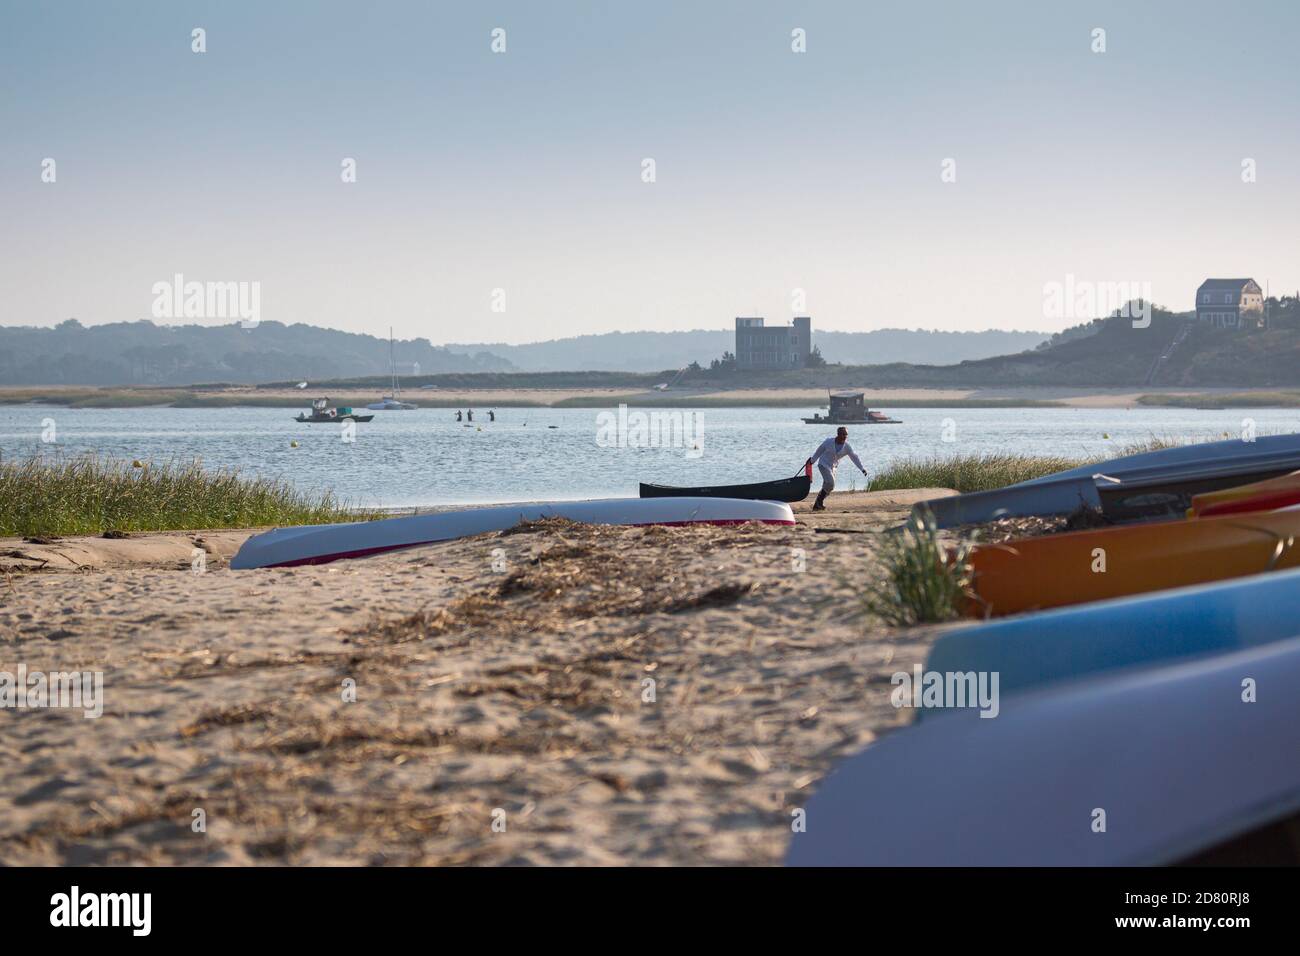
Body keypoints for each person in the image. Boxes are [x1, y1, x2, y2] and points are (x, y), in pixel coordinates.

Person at [806, 427, 868, 511]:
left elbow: (854, 457)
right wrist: (812, 460)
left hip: (833, 467)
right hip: (823, 464)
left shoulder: (847, 447)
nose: (844, 436)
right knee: (831, 483)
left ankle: (818, 504)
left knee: (829, 486)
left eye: (846, 434)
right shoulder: (828, 442)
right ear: (838, 434)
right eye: (843, 434)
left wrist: (862, 469)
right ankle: (818, 503)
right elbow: (819, 450)